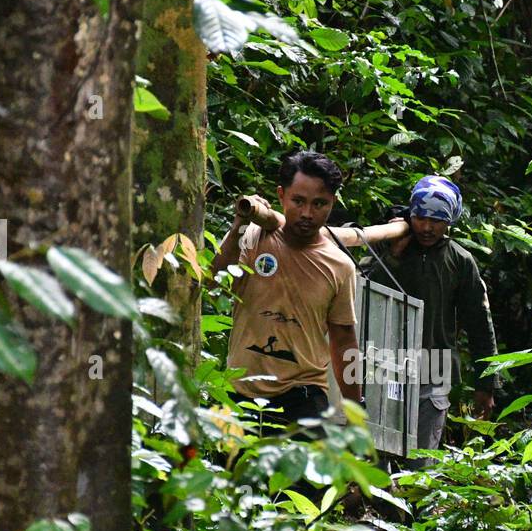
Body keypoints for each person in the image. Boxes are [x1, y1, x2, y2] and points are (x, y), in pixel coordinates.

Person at [211, 150, 362, 436]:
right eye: (298, 201)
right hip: (241, 390)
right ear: (281, 195)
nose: (307, 213)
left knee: (303, 482)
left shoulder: (340, 266)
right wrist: (237, 227)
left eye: (320, 204)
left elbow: (344, 342)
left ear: (332, 203)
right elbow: (213, 281)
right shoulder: (254, 235)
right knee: (230, 478)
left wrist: (356, 408)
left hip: (302, 395)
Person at [360, 175, 499, 462]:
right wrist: (393, 256)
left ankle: (416, 507)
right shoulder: (388, 247)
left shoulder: (459, 261)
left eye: (436, 220)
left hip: (433, 370)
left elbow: (479, 323)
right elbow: (361, 292)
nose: (426, 227)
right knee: (377, 454)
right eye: (420, 218)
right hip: (384, 364)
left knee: (423, 460)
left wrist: (487, 385)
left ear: (449, 223)